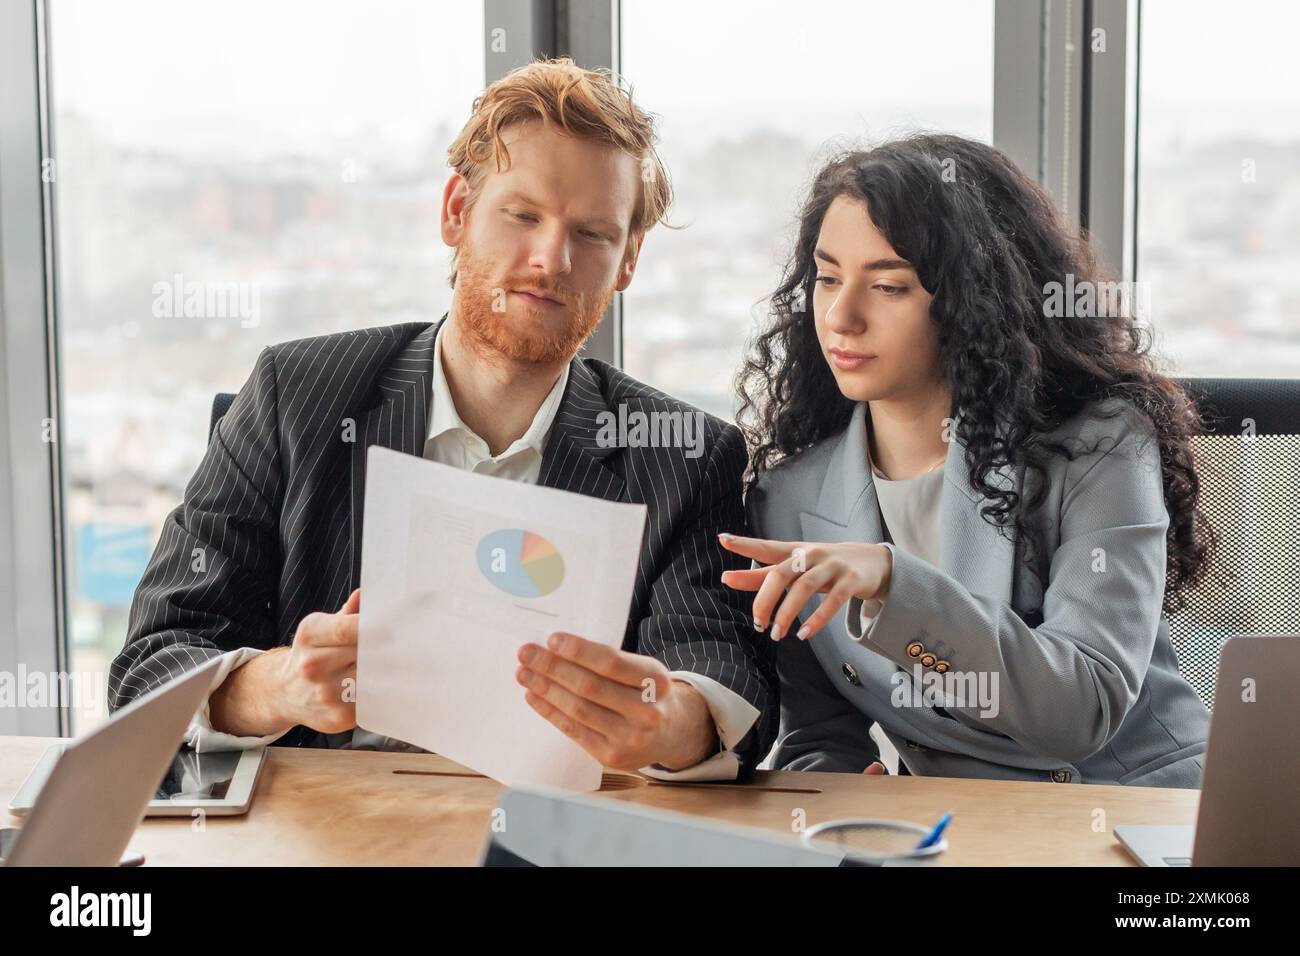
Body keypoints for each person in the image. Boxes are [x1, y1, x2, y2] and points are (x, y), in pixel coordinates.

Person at [110, 58, 776, 781]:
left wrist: (663, 724)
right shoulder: (293, 396)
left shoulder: (685, 457)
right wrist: (282, 686)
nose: (551, 259)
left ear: (628, 260)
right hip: (318, 838)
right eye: (522, 215)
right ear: (456, 211)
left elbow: (725, 682)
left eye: (591, 233)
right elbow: (153, 662)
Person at [723, 133, 1214, 787]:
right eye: (829, 277)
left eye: (890, 286)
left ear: (969, 302)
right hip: (968, 834)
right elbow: (819, 733)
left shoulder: (1099, 444)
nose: (841, 316)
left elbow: (1083, 707)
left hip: (1135, 816)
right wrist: (842, 792)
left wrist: (896, 587)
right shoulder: (789, 497)